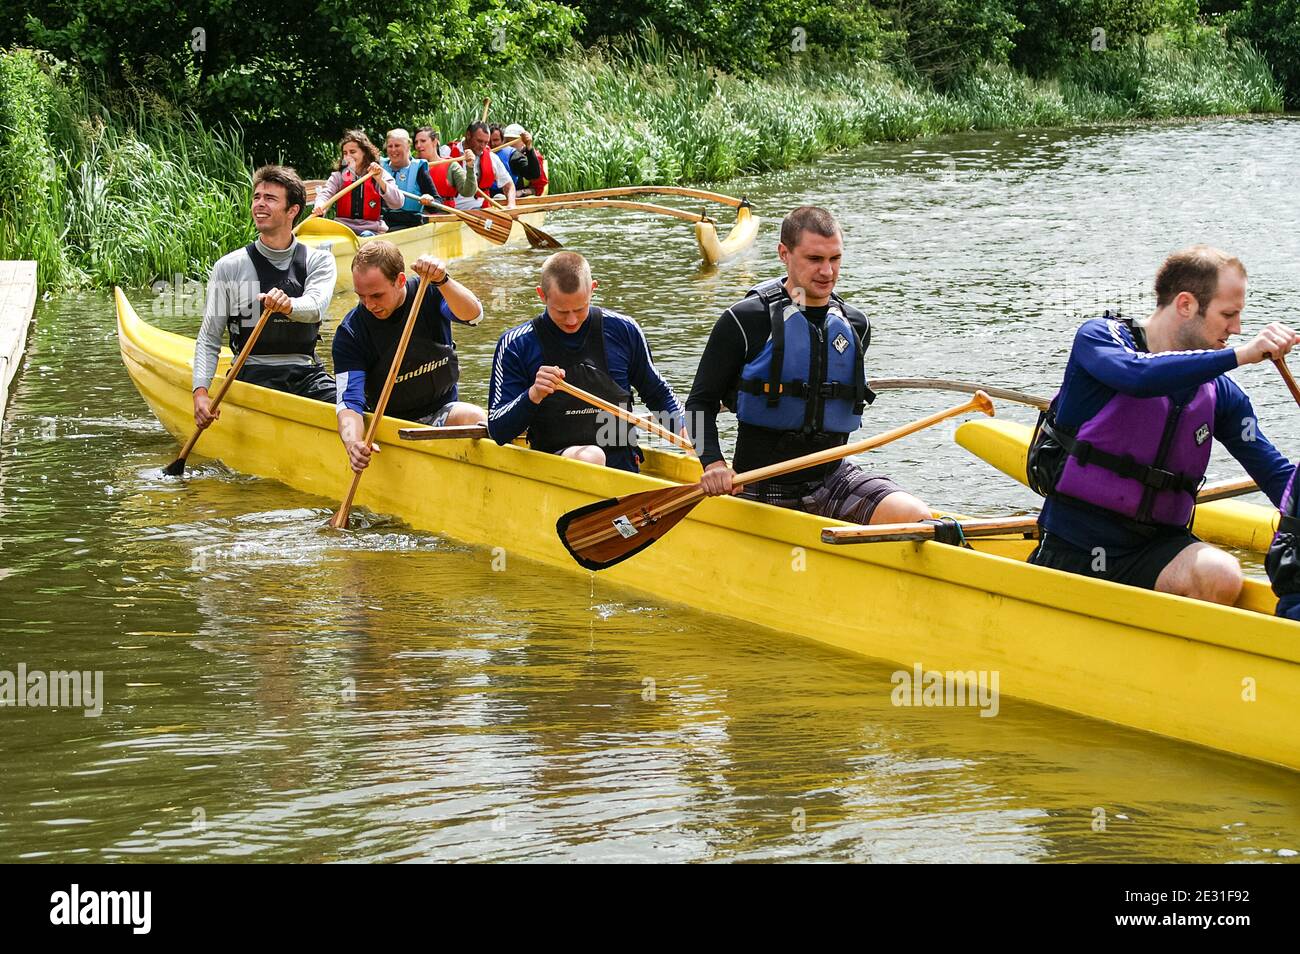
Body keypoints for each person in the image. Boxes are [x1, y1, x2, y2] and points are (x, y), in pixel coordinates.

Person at [1027, 245, 1298, 606]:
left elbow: (1275, 475)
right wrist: (1241, 355)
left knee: (1222, 574)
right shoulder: (1099, 339)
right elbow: (1138, 377)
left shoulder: (1220, 394)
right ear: (1185, 305)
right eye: (1228, 315)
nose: (1237, 329)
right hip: (1073, 546)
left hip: (1155, 549)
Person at [687, 206, 930, 525]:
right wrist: (714, 464)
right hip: (760, 484)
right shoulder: (745, 321)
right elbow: (698, 404)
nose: (827, 272)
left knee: (915, 517)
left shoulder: (856, 326)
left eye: (835, 259)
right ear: (784, 254)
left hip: (834, 479)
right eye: (815, 259)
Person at [487, 251, 685, 471]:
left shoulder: (624, 329)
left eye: (580, 309)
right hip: (555, 472)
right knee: (591, 456)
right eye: (561, 311)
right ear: (542, 295)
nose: (572, 320)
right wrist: (533, 395)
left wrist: (693, 439)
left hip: (623, 470)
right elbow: (498, 430)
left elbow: (659, 394)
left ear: (593, 289)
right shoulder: (516, 344)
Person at [192, 164, 337, 428]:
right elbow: (209, 338)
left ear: (292, 210)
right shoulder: (229, 266)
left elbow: (315, 307)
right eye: (257, 197)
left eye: (270, 199)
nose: (259, 204)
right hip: (251, 374)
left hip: (306, 374)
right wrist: (200, 392)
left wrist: (287, 305)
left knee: (353, 409)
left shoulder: (320, 261)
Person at [333, 242, 487, 473]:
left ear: (400, 281)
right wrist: (353, 443)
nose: (369, 305)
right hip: (390, 427)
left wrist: (443, 280)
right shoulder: (351, 332)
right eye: (361, 296)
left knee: (476, 417)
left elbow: (474, 316)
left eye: (376, 295)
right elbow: (349, 402)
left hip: (442, 412)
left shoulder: (431, 292)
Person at [310, 130, 402, 235]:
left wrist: (380, 181)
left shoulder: (377, 174)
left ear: (365, 153)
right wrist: (320, 205)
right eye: (345, 153)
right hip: (343, 230)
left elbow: (398, 203)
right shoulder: (339, 176)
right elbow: (325, 194)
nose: (348, 156)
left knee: (366, 235)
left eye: (352, 152)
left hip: (372, 231)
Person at [380, 128, 437, 231]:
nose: (393, 150)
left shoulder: (418, 169)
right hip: (382, 225)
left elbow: (437, 202)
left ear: (407, 147)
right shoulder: (379, 167)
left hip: (409, 224)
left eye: (397, 146)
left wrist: (429, 199)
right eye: (390, 146)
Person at [453, 121, 515, 211]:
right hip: (451, 211)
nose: (482, 146)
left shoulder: (491, 157)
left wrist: (511, 205)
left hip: (481, 210)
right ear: (468, 135)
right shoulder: (447, 152)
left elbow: (508, 185)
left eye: (486, 142)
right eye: (479, 141)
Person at [502, 123, 547, 197]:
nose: (508, 146)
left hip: (526, 195)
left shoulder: (534, 158)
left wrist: (521, 192)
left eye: (512, 142)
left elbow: (539, 189)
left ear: (523, 142)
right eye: (506, 142)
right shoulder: (502, 155)